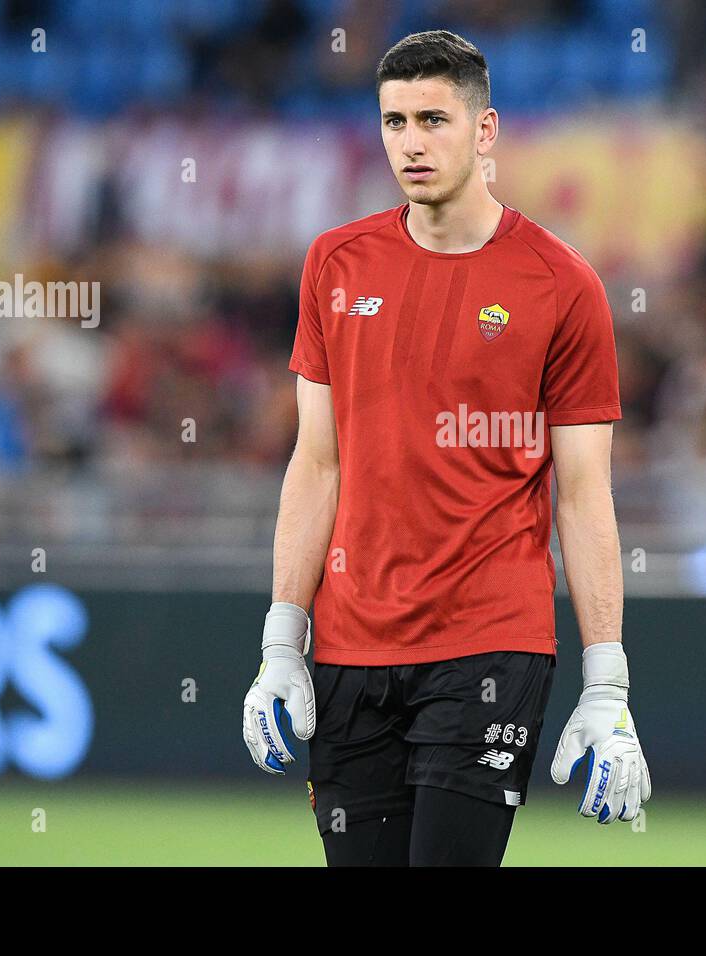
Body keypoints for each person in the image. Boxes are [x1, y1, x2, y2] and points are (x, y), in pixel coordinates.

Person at [241, 29, 650, 866]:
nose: (412, 143)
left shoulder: (562, 286)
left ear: (486, 130)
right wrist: (282, 640)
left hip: (489, 646)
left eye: (434, 118)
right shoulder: (335, 263)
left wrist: (607, 681)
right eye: (394, 122)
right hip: (350, 645)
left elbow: (583, 494)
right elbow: (316, 463)